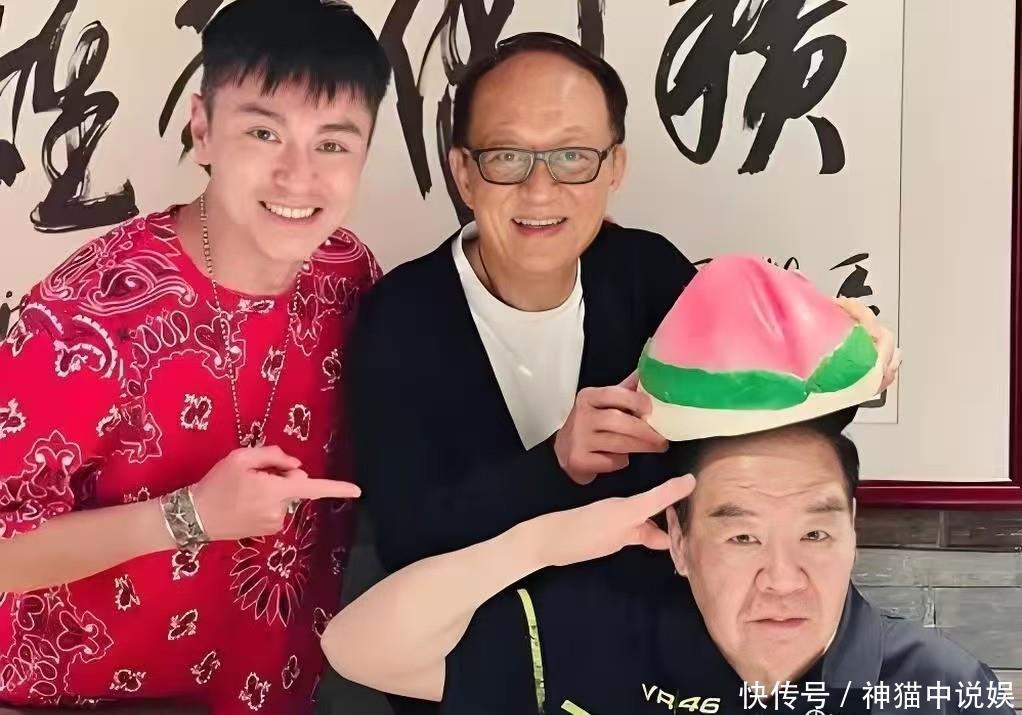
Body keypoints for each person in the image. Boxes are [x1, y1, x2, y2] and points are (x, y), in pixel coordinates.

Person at [347, 31, 900, 577]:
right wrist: (555, 465)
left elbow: (747, 420)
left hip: (649, 618)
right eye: (507, 155)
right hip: (475, 632)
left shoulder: (648, 275)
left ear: (615, 167)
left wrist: (854, 373)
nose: (539, 189)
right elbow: (404, 541)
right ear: (464, 174)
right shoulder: (400, 318)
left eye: (573, 156)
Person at [0, 1, 390, 711]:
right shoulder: (86, 314)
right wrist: (188, 515)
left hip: (275, 688)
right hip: (81, 698)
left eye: (333, 144)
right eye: (263, 132)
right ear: (203, 128)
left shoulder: (348, 272)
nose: (297, 176)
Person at [323, 416, 1012, 715]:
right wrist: (537, 544)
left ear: (852, 529)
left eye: (815, 532)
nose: (783, 578)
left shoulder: (936, 687)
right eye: (741, 537)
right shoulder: (609, 638)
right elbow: (359, 649)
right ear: (678, 541)